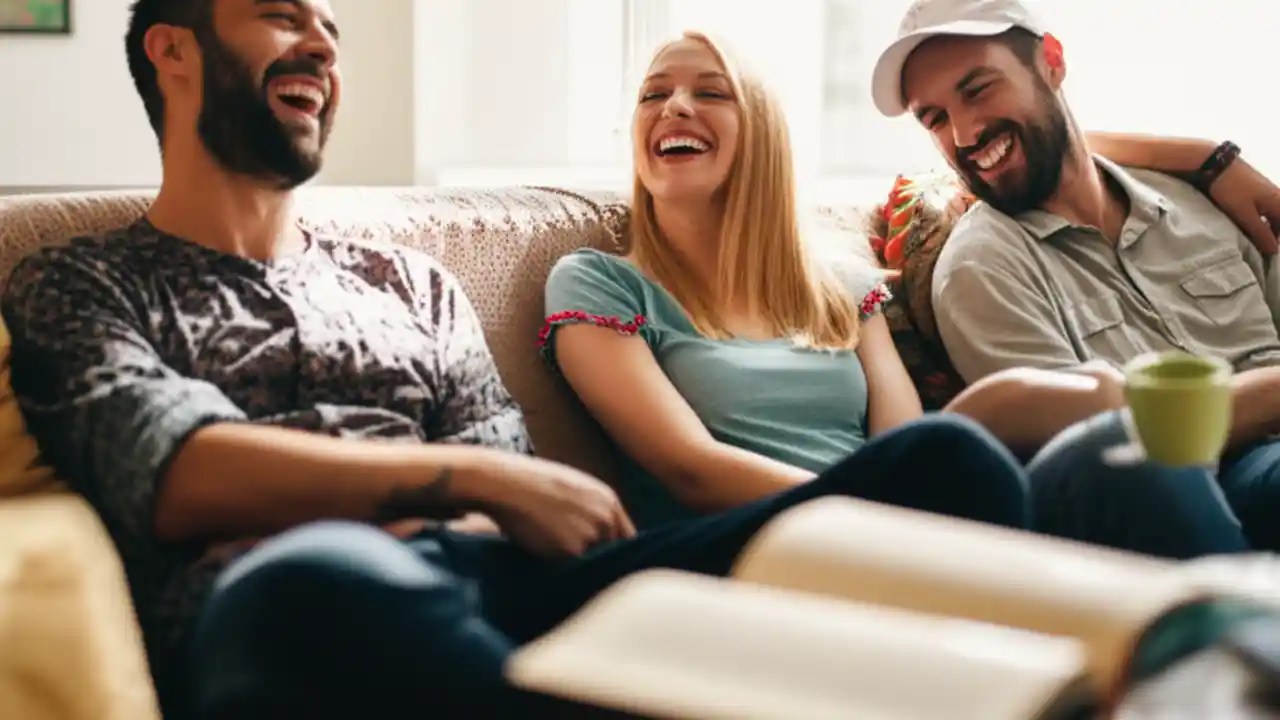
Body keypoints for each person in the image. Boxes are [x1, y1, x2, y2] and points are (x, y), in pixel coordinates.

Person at [1, 2, 1035, 717]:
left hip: (506, 579)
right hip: (293, 590)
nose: (321, 43)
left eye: (331, 30)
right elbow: (175, 472)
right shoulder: (78, 283)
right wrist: (462, 477)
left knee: (955, 466)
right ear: (172, 52)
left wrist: (488, 492)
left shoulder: (411, 284)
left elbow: (516, 501)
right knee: (315, 586)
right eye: (283, 14)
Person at [541, 30, 1254, 559]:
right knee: (987, 433)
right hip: (761, 544)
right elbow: (690, 471)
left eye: (710, 92)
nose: (675, 107)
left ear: (760, 130)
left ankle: (1240, 651)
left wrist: (1201, 155)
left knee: (1117, 443)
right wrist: (886, 507)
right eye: (654, 95)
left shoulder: (842, 290)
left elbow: (899, 445)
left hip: (894, 527)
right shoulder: (598, 282)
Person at [871, 0, 1280, 550]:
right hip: (1206, 492)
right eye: (936, 119)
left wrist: (1211, 158)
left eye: (979, 89)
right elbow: (1114, 446)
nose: (964, 134)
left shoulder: (1199, 203)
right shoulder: (982, 270)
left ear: (1052, 62)